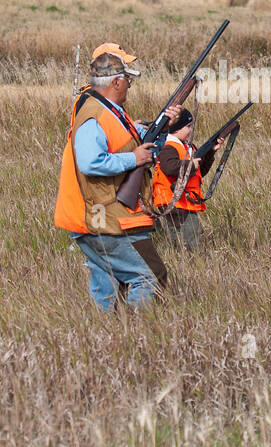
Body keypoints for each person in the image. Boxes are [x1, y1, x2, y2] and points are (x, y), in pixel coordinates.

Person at [54, 42, 181, 310]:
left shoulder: (111, 111)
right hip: (104, 219)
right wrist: (135, 159)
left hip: (99, 218)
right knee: (149, 276)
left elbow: (131, 132)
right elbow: (90, 162)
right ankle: (135, 339)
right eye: (127, 81)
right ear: (116, 83)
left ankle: (105, 342)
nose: (129, 87)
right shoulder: (94, 115)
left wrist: (164, 124)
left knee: (107, 284)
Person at [151, 108, 223, 252]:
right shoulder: (168, 146)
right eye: (188, 126)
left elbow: (200, 171)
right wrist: (190, 165)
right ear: (177, 129)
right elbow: (169, 167)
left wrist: (210, 152)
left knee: (179, 238)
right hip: (173, 200)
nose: (190, 130)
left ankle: (181, 260)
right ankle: (197, 263)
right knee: (192, 237)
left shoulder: (186, 147)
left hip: (183, 200)